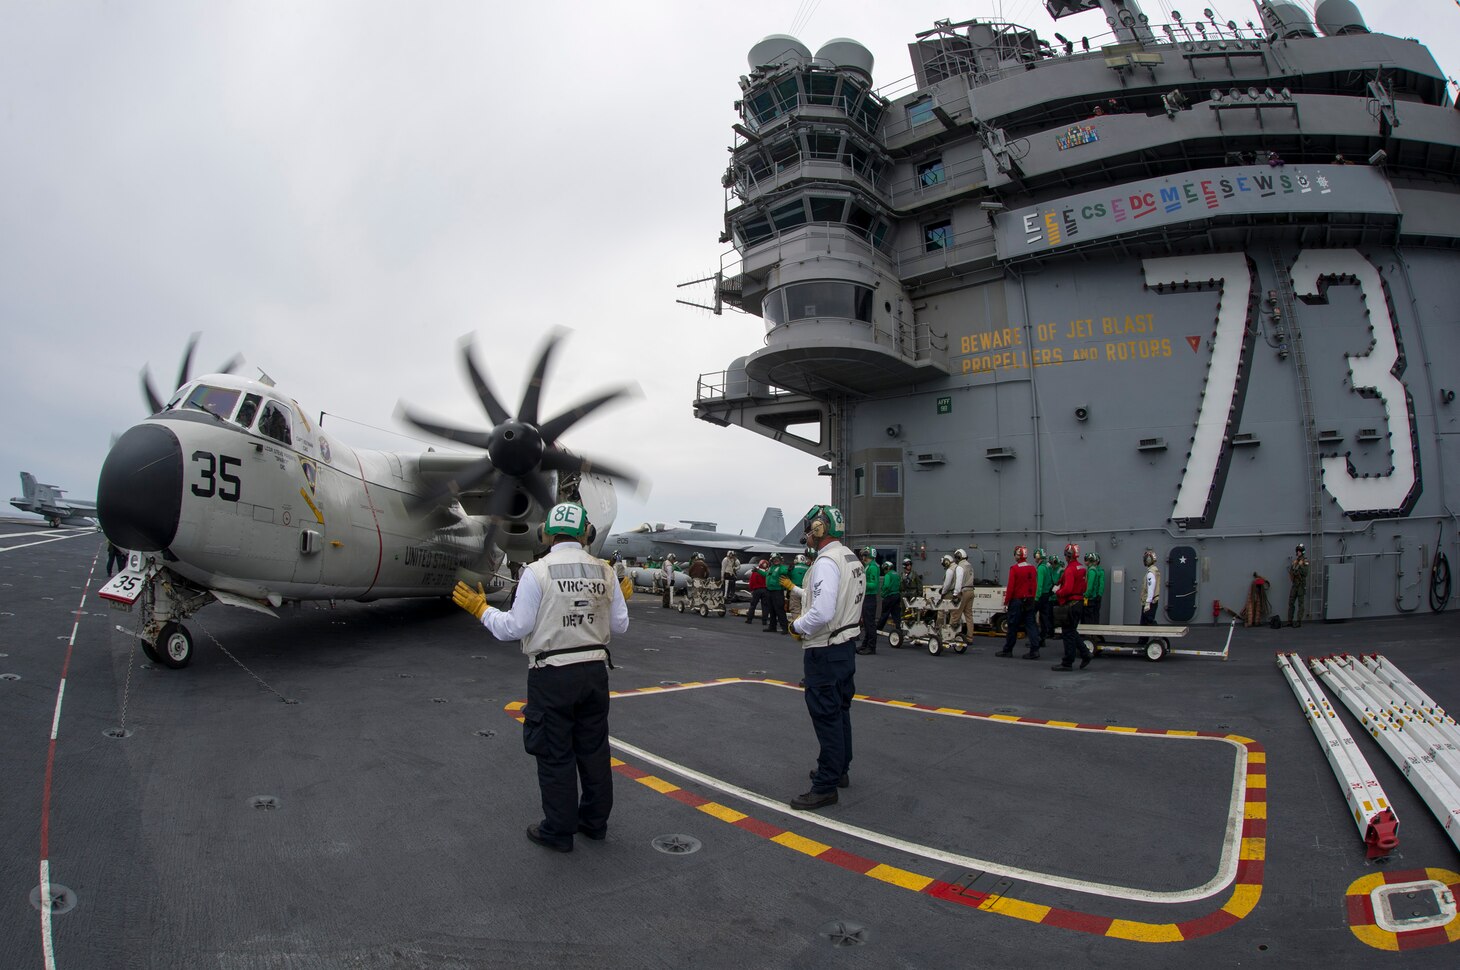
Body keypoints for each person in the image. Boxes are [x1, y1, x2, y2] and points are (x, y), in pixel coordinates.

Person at [452, 501, 627, 852]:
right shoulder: (605, 572)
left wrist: (481, 609)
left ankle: (558, 832)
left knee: (555, 753)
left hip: (552, 676)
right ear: (587, 534)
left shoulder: (537, 571)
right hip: (594, 673)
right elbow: (620, 625)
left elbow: (514, 627)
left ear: (545, 532)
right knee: (593, 751)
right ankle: (594, 824)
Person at [783, 505, 862, 810]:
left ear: (819, 528)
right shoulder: (849, 557)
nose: (807, 534)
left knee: (826, 716)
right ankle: (840, 769)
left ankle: (826, 785)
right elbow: (837, 600)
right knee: (840, 712)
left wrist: (797, 626)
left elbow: (823, 611)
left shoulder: (826, 562)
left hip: (824, 651)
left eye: (809, 528)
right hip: (844, 647)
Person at [996, 545, 1041, 659]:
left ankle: (1008, 650)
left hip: (1017, 600)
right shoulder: (1032, 568)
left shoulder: (1014, 568)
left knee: (1012, 626)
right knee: (1031, 625)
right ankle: (1035, 650)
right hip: (1030, 600)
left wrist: (1006, 601)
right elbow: (1035, 584)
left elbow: (1011, 587)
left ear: (1017, 555)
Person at [1051, 543, 1090, 671]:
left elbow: (1067, 589)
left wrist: (1058, 592)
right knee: (1072, 631)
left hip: (1071, 604)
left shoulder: (1070, 570)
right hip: (1079, 602)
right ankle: (1085, 654)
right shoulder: (1081, 568)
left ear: (1067, 555)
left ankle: (1067, 662)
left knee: (1067, 633)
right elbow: (1084, 587)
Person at [856, 548, 881, 654]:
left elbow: (874, 584)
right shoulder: (868, 566)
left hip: (869, 597)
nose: (863, 558)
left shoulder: (873, 567)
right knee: (866, 623)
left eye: (864, 556)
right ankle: (865, 645)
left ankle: (871, 647)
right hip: (866, 596)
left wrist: (861, 583)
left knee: (870, 624)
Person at [952, 548, 976, 642]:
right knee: (969, 616)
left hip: (963, 592)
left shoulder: (960, 567)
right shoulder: (970, 566)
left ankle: (951, 635)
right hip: (971, 591)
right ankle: (970, 638)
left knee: (955, 614)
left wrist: (955, 594)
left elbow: (958, 581)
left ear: (959, 557)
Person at [874, 560, 902, 638]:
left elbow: (886, 585)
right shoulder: (897, 574)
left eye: (885, 569)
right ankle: (899, 629)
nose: (884, 571)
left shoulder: (888, 575)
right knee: (896, 614)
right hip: (897, 595)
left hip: (889, 596)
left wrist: (883, 592)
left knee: (885, 613)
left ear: (887, 568)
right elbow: (900, 585)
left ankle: (878, 629)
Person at [1034, 548, 1057, 641]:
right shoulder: (1048, 566)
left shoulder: (1041, 568)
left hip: (1041, 595)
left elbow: (1039, 584)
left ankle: (1035, 638)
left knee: (1031, 617)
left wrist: (1036, 598)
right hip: (1047, 595)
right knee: (1044, 618)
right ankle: (1042, 638)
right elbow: (1052, 580)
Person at [764, 554, 789, 633]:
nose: (776, 560)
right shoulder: (771, 568)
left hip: (777, 591)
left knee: (779, 610)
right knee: (771, 610)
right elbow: (767, 575)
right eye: (774, 559)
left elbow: (784, 571)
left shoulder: (781, 568)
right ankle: (772, 626)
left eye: (777, 559)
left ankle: (785, 628)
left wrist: (789, 570)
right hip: (770, 591)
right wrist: (758, 571)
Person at [1287, 544, 1309, 627]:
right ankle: (1290, 621)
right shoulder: (1295, 562)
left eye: (1299, 550)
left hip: (1300, 585)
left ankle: (1299, 621)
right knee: (1291, 602)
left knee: (1300, 603)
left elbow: (1305, 573)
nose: (1298, 552)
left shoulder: (1305, 561)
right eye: (1297, 550)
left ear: (1302, 552)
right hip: (1295, 584)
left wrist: (1299, 568)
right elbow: (1292, 571)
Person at [1140, 549, 1161, 626]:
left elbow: (1150, 587)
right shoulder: (1155, 571)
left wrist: (1147, 603)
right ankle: (1143, 638)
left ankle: (1161, 636)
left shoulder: (1150, 573)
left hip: (1150, 602)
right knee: (1144, 624)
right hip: (1152, 601)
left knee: (1148, 621)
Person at [1083, 552, 1105, 624]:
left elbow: (1098, 584)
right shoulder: (1092, 569)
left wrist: (1086, 595)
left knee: (1089, 616)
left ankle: (1090, 633)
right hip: (1095, 596)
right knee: (1094, 615)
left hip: (1091, 597)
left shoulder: (1092, 571)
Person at [744, 559, 768, 626]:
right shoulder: (768, 572)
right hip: (765, 590)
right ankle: (764, 621)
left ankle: (749, 619)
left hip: (757, 590)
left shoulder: (755, 571)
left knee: (753, 605)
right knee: (765, 606)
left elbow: (752, 581)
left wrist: (751, 589)